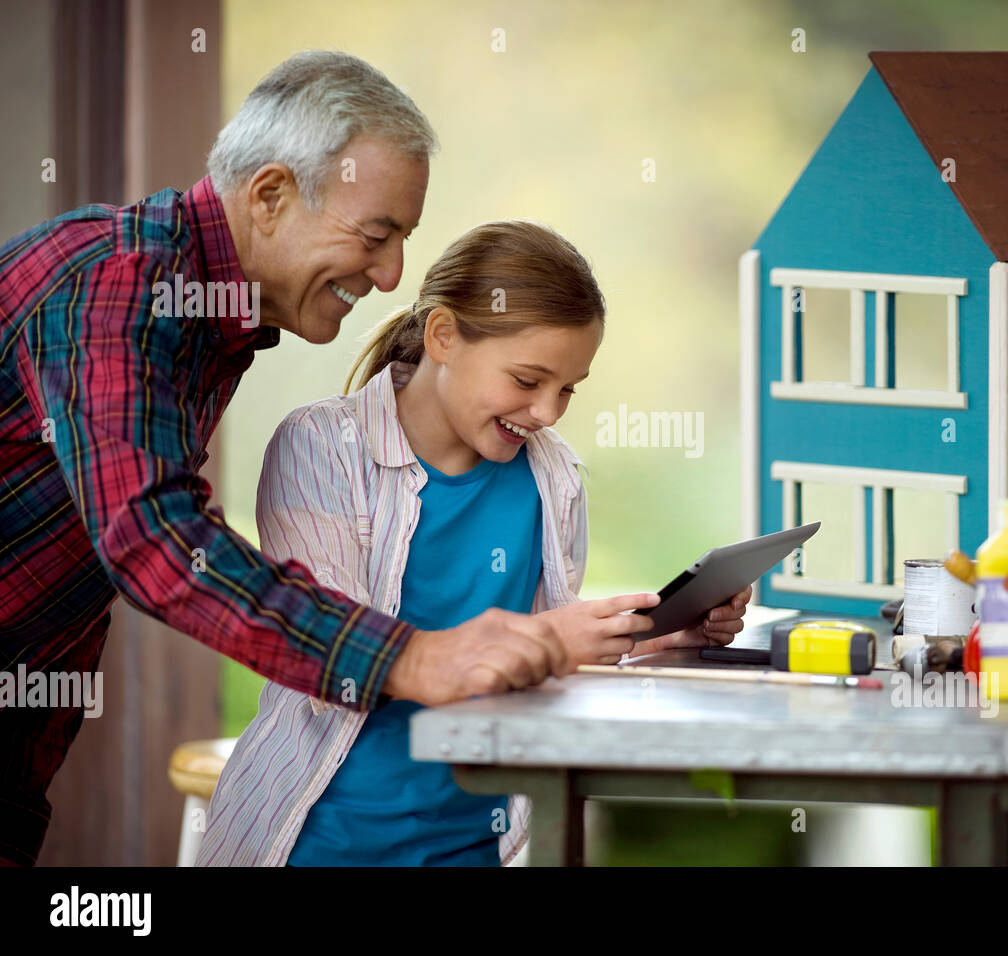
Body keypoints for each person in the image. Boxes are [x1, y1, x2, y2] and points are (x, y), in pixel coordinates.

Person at [2, 51, 562, 866]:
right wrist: (407, 655)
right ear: (269, 196)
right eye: (377, 235)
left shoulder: (210, 323)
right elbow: (156, 542)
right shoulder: (115, 287)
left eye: (402, 240)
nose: (393, 273)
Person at [197, 221, 750, 865]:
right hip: (326, 838)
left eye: (567, 389)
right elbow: (333, 661)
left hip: (475, 843)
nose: (547, 412)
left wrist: (656, 635)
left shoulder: (553, 475)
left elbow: (542, 671)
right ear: (443, 335)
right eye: (527, 380)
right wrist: (548, 642)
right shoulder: (322, 449)